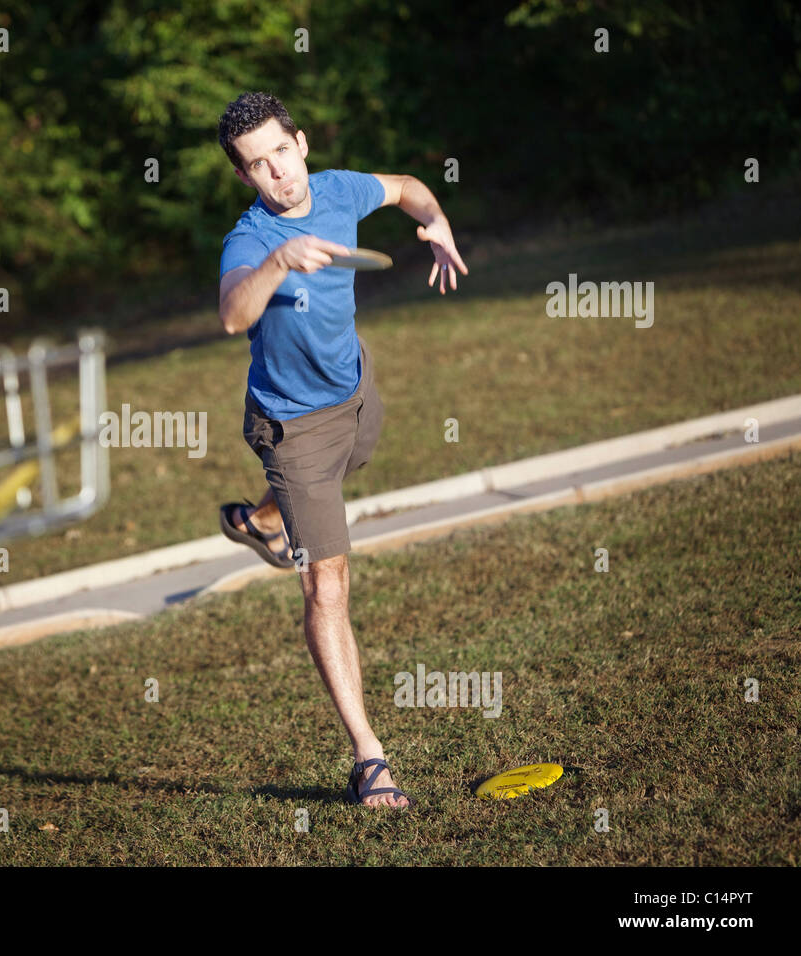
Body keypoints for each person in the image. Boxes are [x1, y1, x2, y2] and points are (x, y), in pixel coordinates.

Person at [216, 91, 469, 809]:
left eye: (281, 154)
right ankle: (370, 758)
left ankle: (266, 520)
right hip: (292, 429)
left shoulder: (337, 189)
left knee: (356, 461)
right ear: (245, 177)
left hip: (355, 392)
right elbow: (234, 315)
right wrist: (279, 263)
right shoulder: (248, 240)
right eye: (256, 167)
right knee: (327, 583)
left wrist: (438, 223)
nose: (277, 175)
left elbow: (409, 190)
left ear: (300, 144)